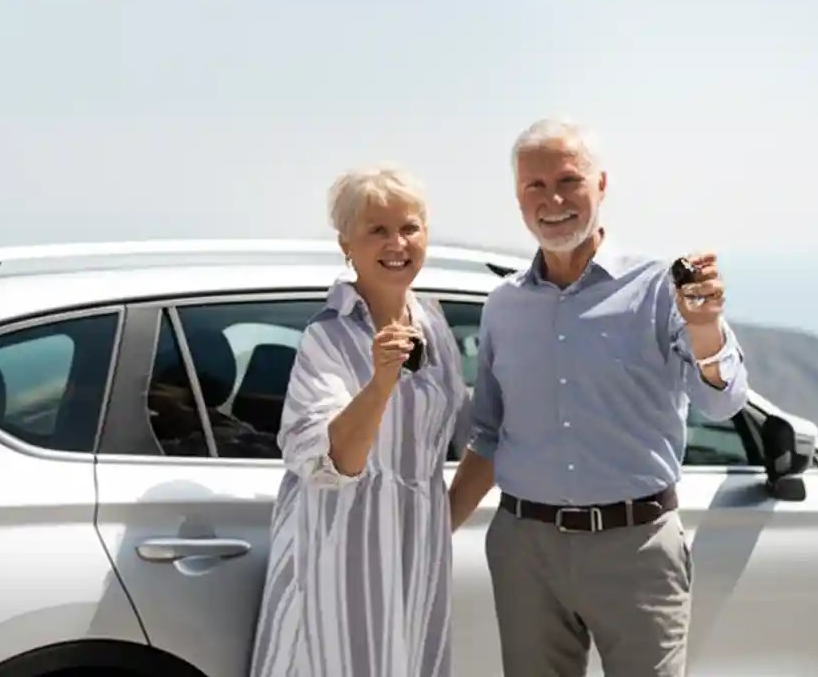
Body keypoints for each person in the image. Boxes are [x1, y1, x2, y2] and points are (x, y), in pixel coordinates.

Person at [447, 117, 750, 676]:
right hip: (524, 550)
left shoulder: (661, 289)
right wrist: (433, 531)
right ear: (518, 198)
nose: (553, 199)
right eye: (534, 186)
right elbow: (488, 437)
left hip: (634, 547)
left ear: (601, 186)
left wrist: (706, 327)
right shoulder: (503, 306)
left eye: (568, 180)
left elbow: (722, 404)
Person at [250, 164, 469, 677]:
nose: (397, 242)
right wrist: (380, 383)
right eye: (377, 230)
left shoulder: (433, 324)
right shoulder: (328, 336)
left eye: (409, 227)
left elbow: (476, 436)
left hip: (415, 560)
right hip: (339, 554)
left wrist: (437, 522)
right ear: (347, 244)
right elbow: (333, 462)